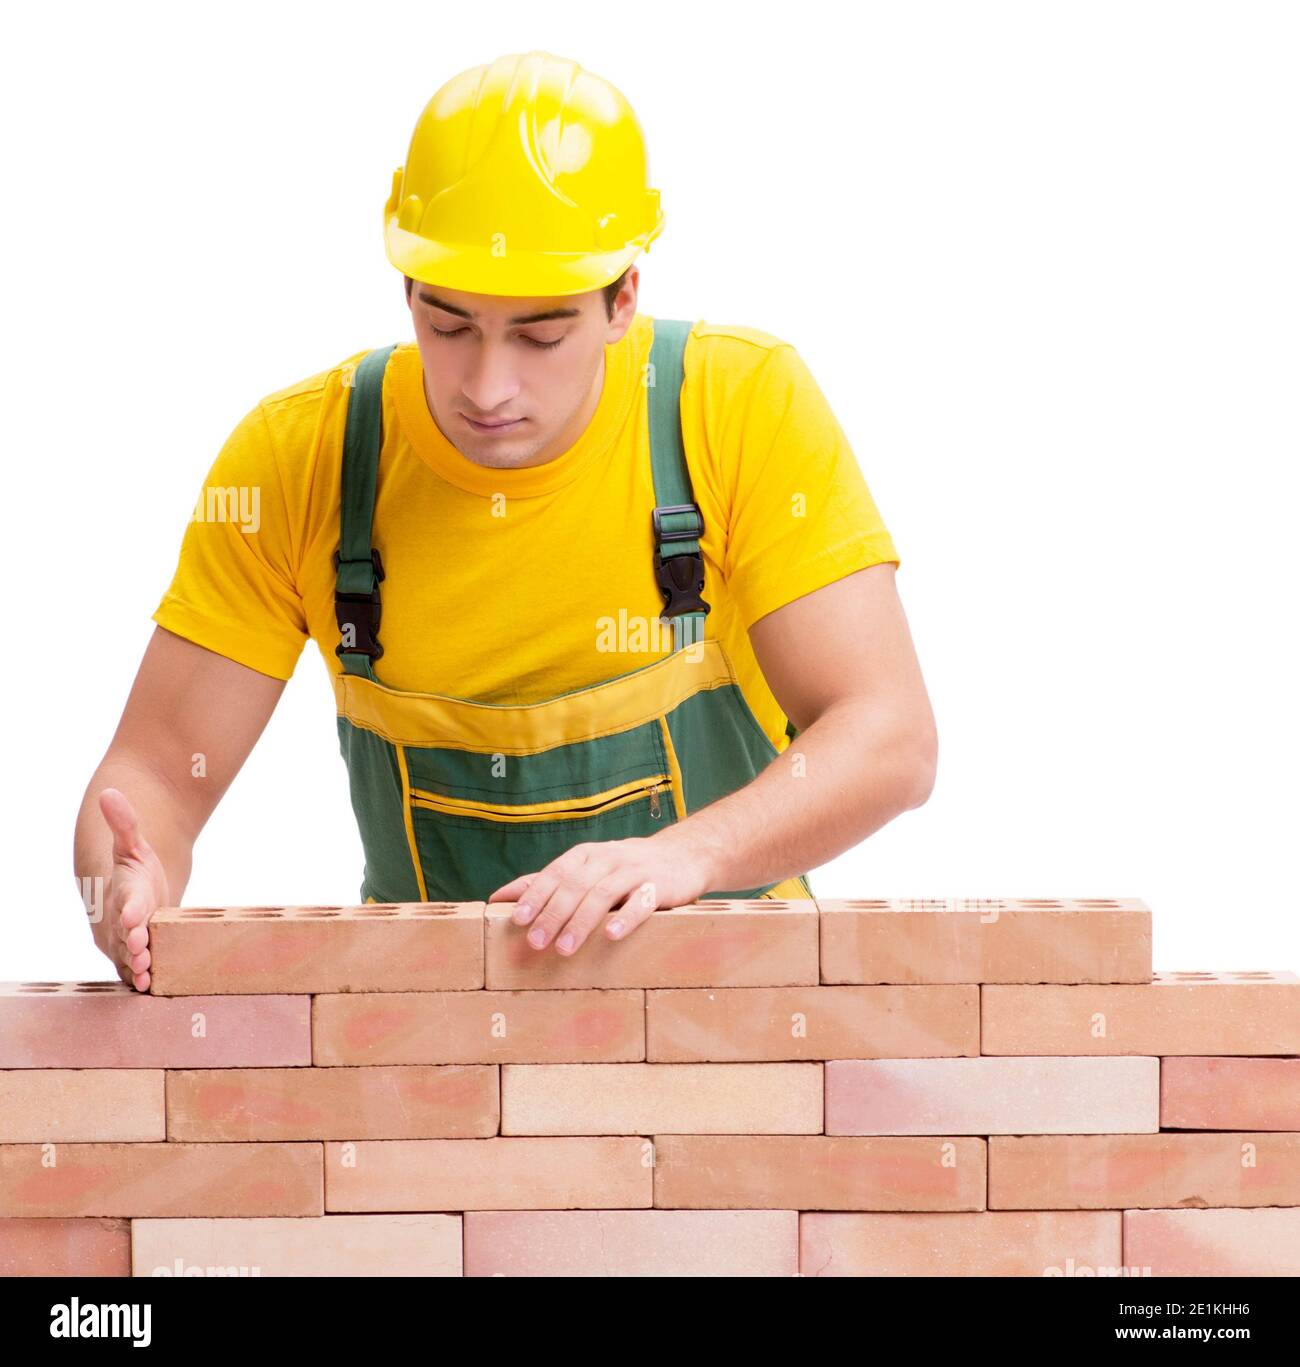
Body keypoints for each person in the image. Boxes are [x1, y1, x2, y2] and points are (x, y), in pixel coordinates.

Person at [73, 50, 937, 991]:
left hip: (737, 1039)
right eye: (449, 326)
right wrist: (120, 895)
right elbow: (154, 775)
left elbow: (889, 734)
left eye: (540, 335)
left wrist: (688, 856)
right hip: (432, 1059)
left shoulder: (732, 410)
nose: (488, 388)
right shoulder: (303, 461)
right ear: (407, 288)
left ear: (623, 299)